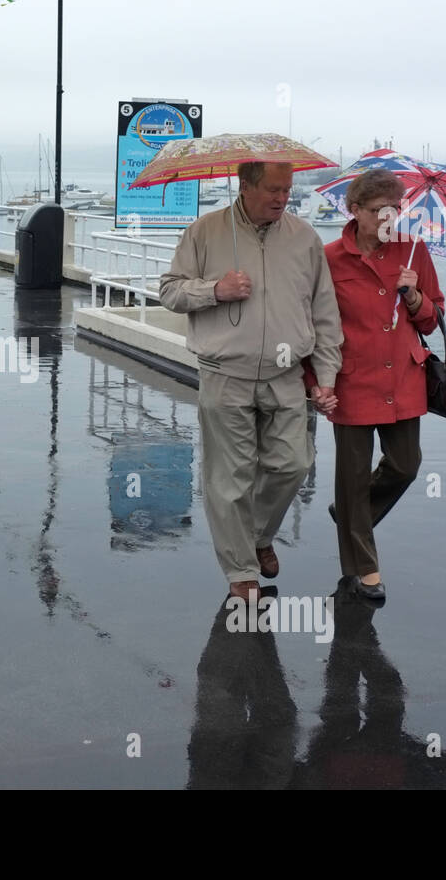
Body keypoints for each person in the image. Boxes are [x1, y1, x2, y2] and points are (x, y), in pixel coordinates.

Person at [159, 161, 342, 602]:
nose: (283, 198)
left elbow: (324, 313)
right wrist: (214, 291)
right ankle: (241, 568)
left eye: (288, 189)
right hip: (226, 374)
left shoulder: (304, 238)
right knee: (230, 478)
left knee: (294, 463)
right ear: (245, 186)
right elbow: (169, 291)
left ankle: (258, 535)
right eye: (273, 190)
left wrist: (327, 377)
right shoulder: (205, 231)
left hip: (286, 376)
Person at [311, 169, 445, 603]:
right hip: (352, 381)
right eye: (378, 211)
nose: (389, 218)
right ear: (354, 211)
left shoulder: (413, 252)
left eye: (395, 209)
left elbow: (433, 318)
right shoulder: (329, 259)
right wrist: (315, 382)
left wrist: (414, 297)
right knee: (351, 476)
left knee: (406, 464)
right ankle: (363, 567)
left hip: (404, 378)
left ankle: (351, 513)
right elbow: (314, 328)